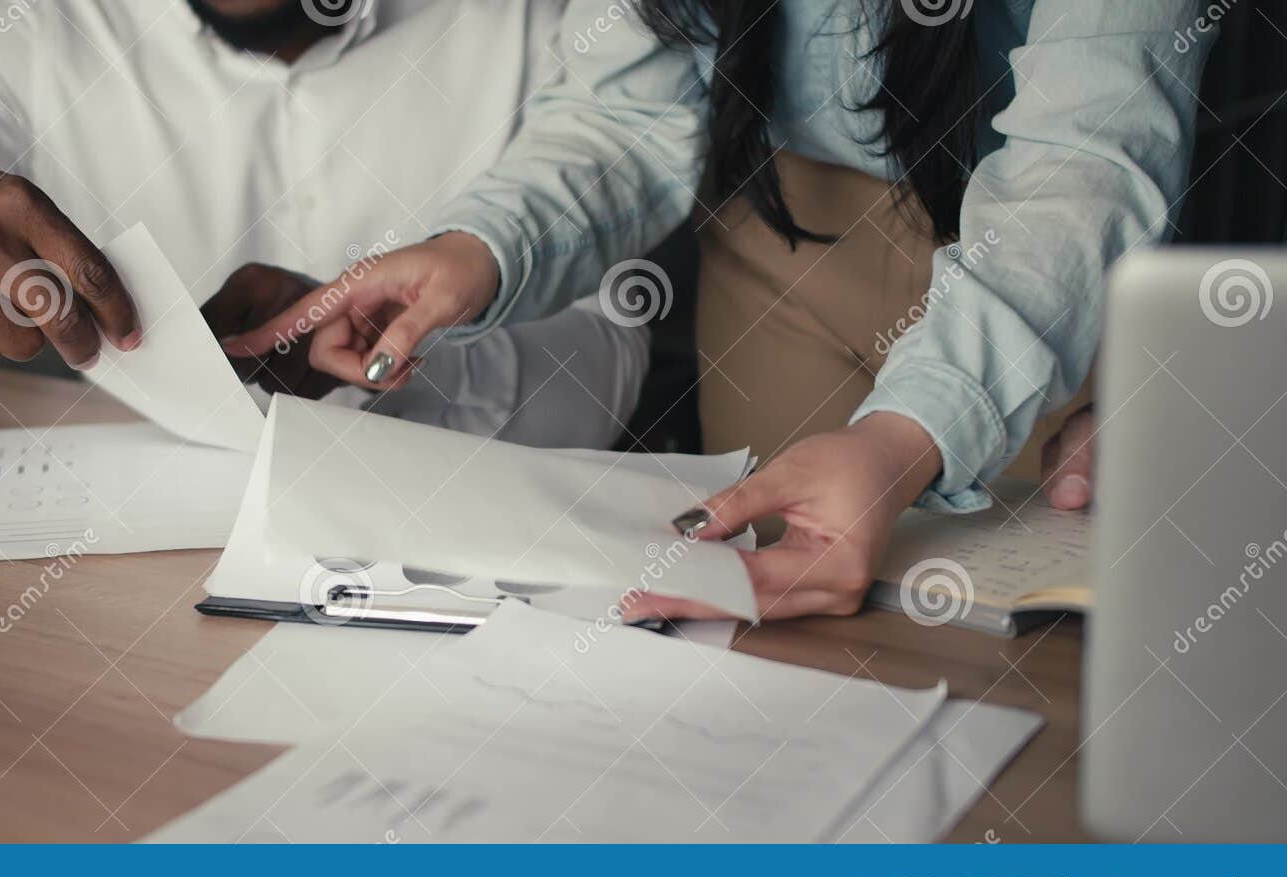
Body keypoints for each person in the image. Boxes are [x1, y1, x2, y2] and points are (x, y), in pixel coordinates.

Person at [224, 0, 1218, 620]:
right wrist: (475, 249)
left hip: (1048, 257)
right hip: (781, 228)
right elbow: (628, 112)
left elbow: (1086, 161)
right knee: (778, 625)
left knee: (1025, 644)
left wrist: (913, 428)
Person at [0, 0, 670, 450]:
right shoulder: (37, 32)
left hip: (536, 578)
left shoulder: (556, 19)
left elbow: (611, 336)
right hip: (158, 606)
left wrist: (408, 364)